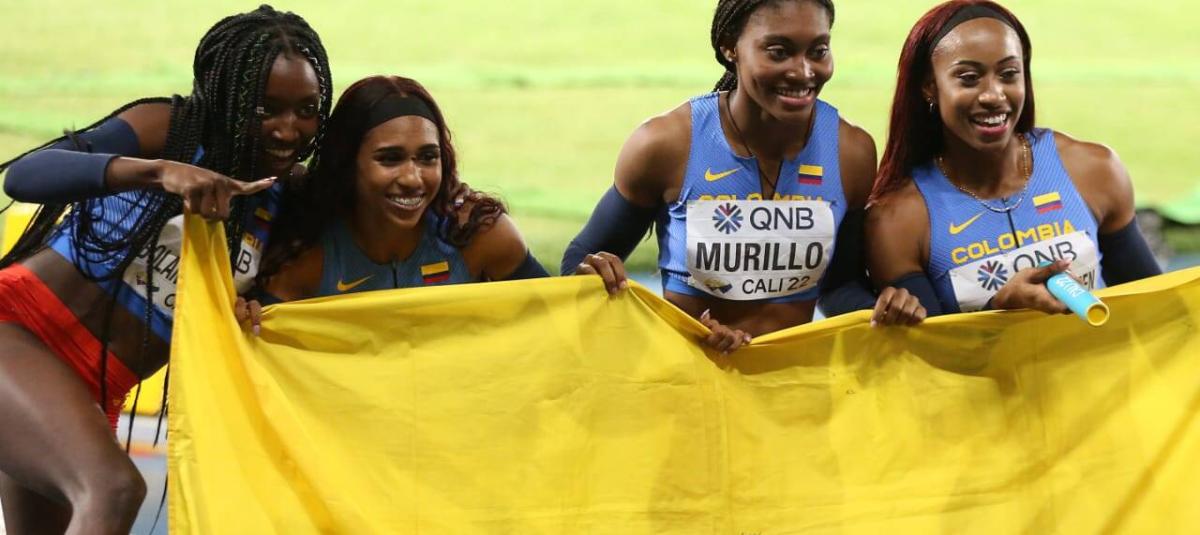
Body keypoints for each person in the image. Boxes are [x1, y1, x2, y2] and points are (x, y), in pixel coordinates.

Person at [0, 6, 332, 532]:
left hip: (93, 390)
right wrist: (159, 173)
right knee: (112, 489)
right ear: (226, 95)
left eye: (307, 109)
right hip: (16, 334)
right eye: (265, 108)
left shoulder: (285, 205)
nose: (288, 129)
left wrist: (251, 311)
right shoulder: (168, 129)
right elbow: (25, 176)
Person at [561, 0, 924, 355]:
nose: (803, 72)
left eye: (818, 51)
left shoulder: (850, 151)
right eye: (779, 52)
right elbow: (580, 262)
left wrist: (882, 309)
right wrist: (597, 277)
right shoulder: (666, 144)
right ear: (730, 47)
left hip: (792, 384)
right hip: (688, 378)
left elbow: (839, 284)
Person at [237, 75, 626, 325]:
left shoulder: (477, 235)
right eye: (389, 158)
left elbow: (552, 329)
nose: (412, 179)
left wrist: (585, 292)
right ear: (346, 164)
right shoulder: (306, 255)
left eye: (428, 157)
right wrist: (246, 321)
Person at [865, 0, 1161, 316]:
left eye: (1008, 74)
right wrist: (1000, 309)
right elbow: (932, 356)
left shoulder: (1094, 171)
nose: (994, 95)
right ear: (929, 88)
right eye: (968, 78)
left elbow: (1159, 310)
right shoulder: (898, 220)